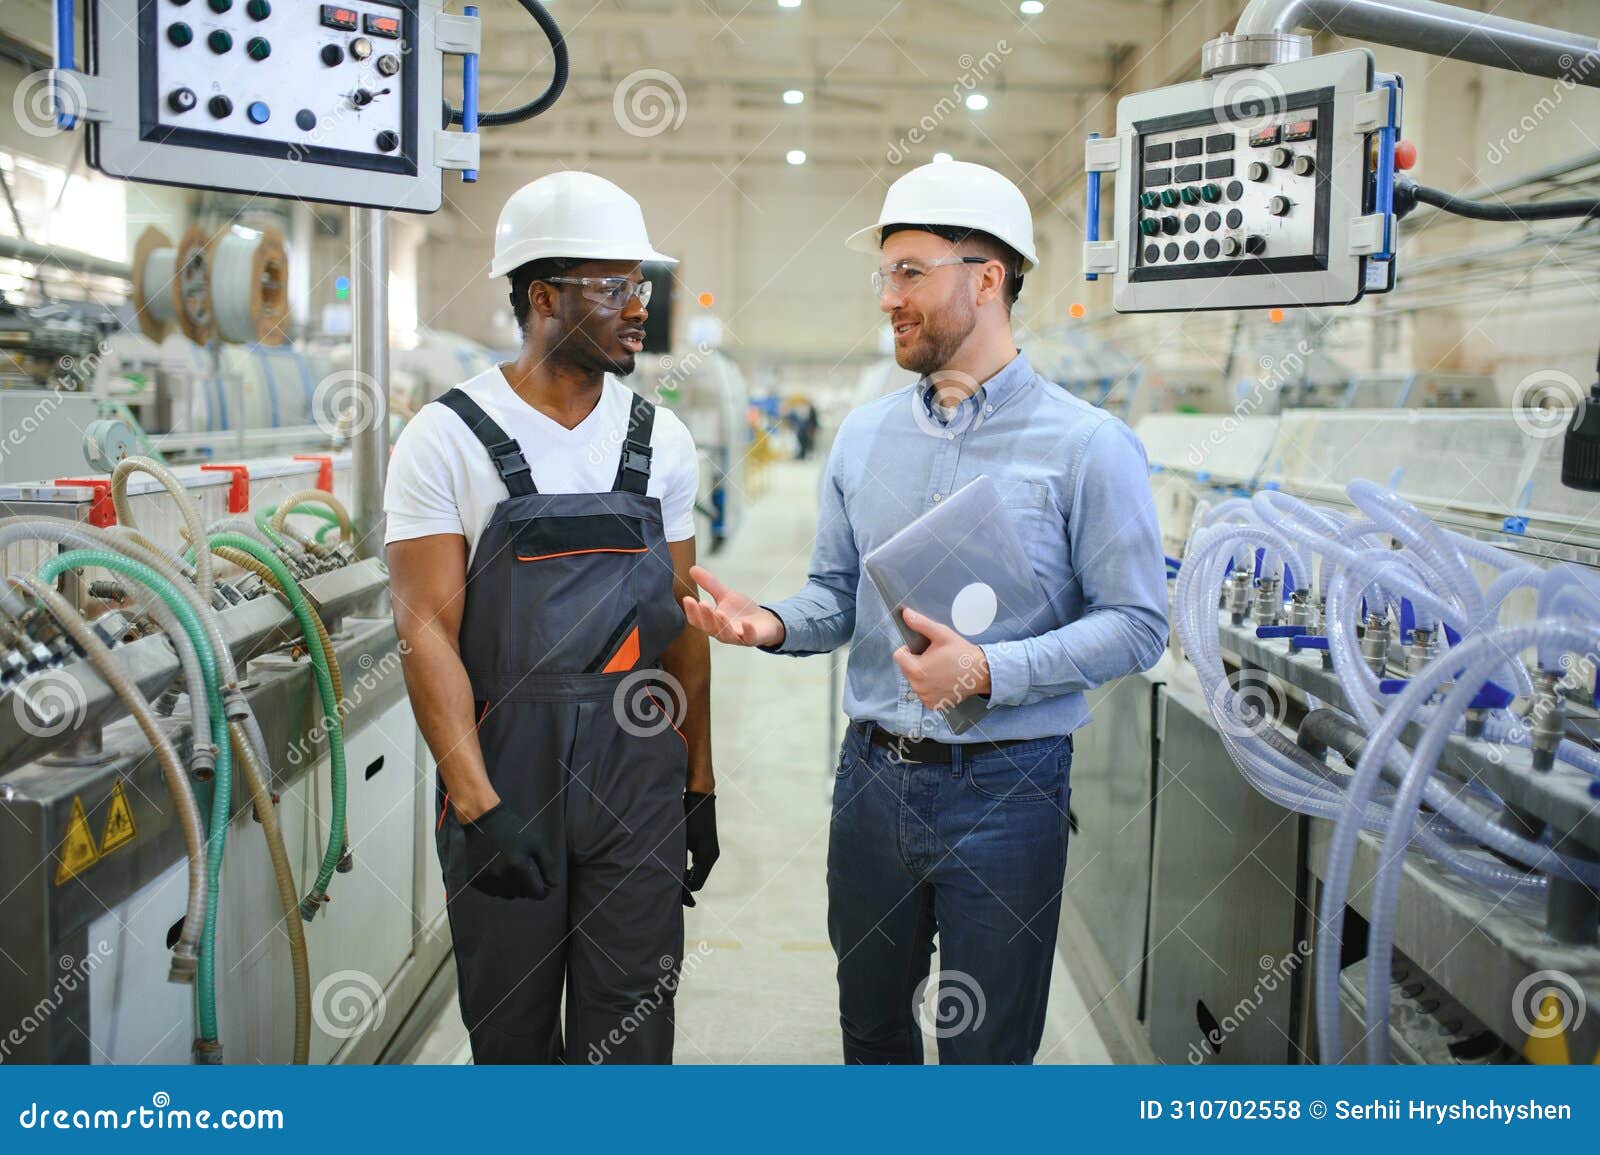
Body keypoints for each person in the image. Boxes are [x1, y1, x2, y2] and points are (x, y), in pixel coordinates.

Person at [681, 161, 1167, 1064]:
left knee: (986, 1054)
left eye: (910, 272)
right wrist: (774, 624)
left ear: (988, 278)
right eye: (885, 275)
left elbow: (1137, 622)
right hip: (871, 785)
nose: (888, 298)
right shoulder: (865, 436)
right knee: (870, 1034)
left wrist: (988, 670)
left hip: (1008, 789)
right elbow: (835, 597)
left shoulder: (1089, 447)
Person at [385, 171, 719, 1065]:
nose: (638, 307)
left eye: (640, 285)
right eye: (612, 287)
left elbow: (681, 624)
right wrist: (475, 799)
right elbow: (424, 630)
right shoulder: (447, 436)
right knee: (512, 1040)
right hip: (506, 770)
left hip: (635, 766)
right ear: (541, 296)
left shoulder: (663, 439)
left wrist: (700, 780)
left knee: (632, 1036)